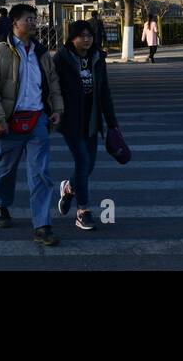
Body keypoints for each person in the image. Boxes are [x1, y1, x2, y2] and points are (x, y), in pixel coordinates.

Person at [0, 2, 64, 247]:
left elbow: (53, 83)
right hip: (10, 122)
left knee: (41, 174)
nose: (34, 23)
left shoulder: (42, 53)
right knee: (5, 171)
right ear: (15, 23)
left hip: (37, 120)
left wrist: (57, 110)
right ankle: (2, 204)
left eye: (35, 19)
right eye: (29, 19)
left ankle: (42, 225)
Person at [54, 20, 119, 231]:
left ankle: (69, 188)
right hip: (71, 121)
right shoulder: (62, 59)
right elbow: (52, 90)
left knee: (89, 165)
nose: (87, 39)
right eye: (82, 35)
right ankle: (83, 211)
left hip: (91, 119)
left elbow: (105, 92)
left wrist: (112, 124)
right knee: (82, 162)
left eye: (89, 35)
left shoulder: (98, 58)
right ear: (72, 38)